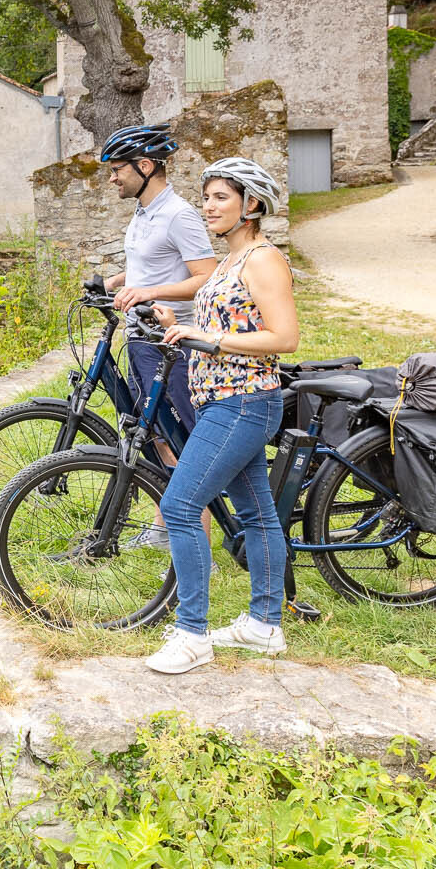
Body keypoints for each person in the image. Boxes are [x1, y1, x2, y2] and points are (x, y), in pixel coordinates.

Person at [145, 157, 299, 675]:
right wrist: (177, 321)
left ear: (250, 205)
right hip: (225, 400)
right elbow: (226, 322)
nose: (207, 207)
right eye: (206, 197)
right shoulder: (230, 261)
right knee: (258, 514)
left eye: (219, 198)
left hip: (244, 402)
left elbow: (283, 338)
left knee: (182, 506)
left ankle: (191, 634)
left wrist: (207, 337)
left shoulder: (262, 259)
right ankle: (264, 626)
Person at [99, 124, 217, 437]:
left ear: (146, 166)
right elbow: (155, 261)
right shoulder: (143, 211)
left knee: (183, 434)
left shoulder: (178, 215)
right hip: (141, 336)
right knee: (148, 434)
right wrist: (114, 282)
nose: (112, 178)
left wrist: (147, 292)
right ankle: (163, 486)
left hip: (169, 343)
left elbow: (207, 277)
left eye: (116, 170)